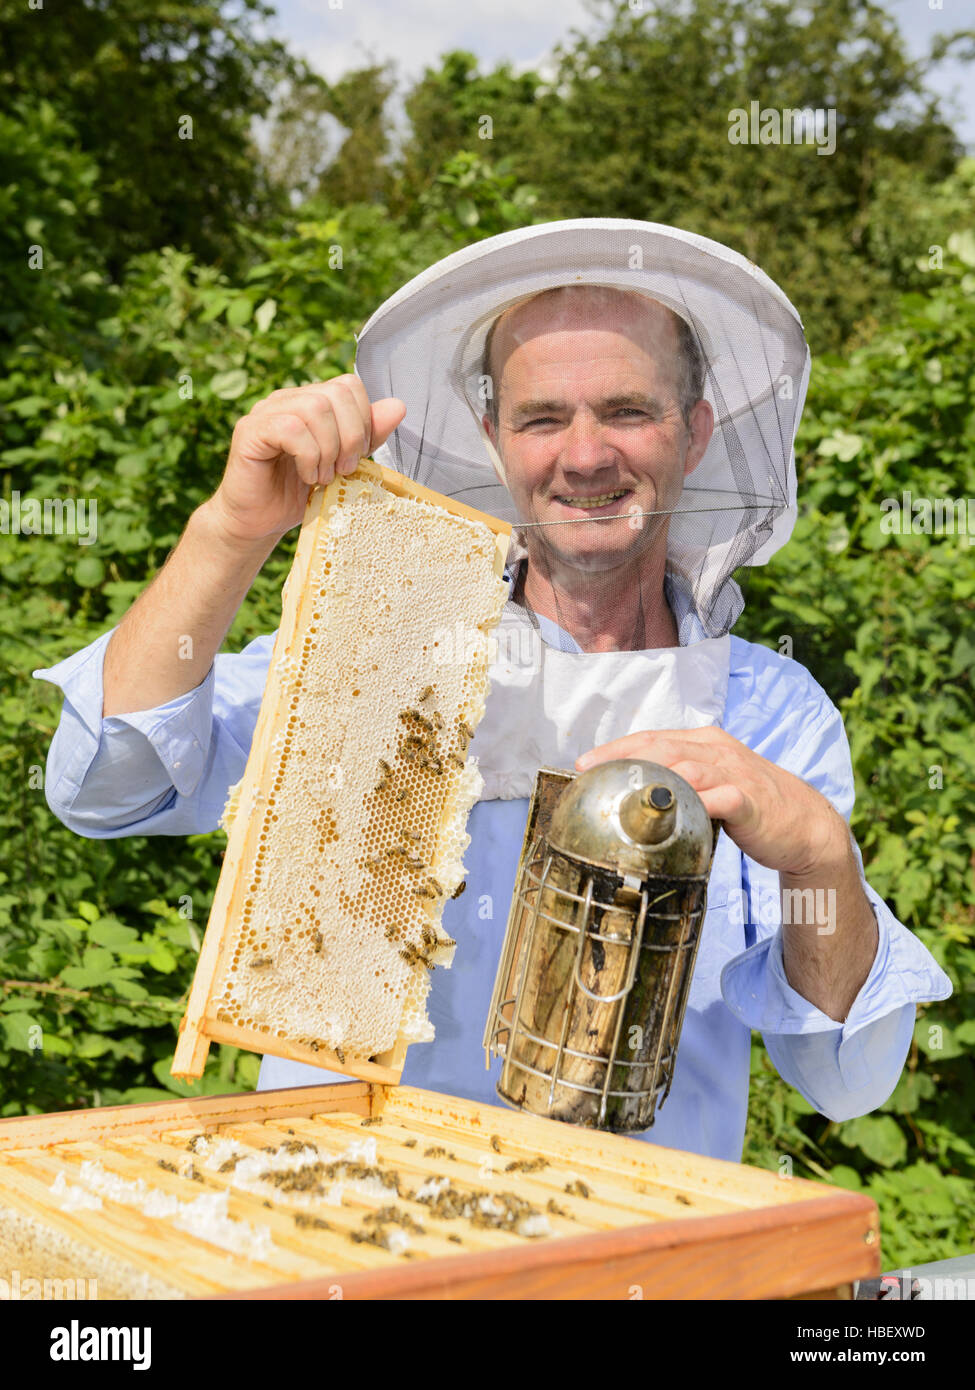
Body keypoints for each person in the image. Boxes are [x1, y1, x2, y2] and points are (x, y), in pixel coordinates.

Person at [34, 220, 950, 1163]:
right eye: (543, 418)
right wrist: (232, 527)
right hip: (340, 1218)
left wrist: (817, 857)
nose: (585, 456)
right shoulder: (375, 658)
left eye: (628, 411)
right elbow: (110, 784)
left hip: (626, 1247)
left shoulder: (772, 711)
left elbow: (846, 1077)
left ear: (695, 431)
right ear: (493, 436)